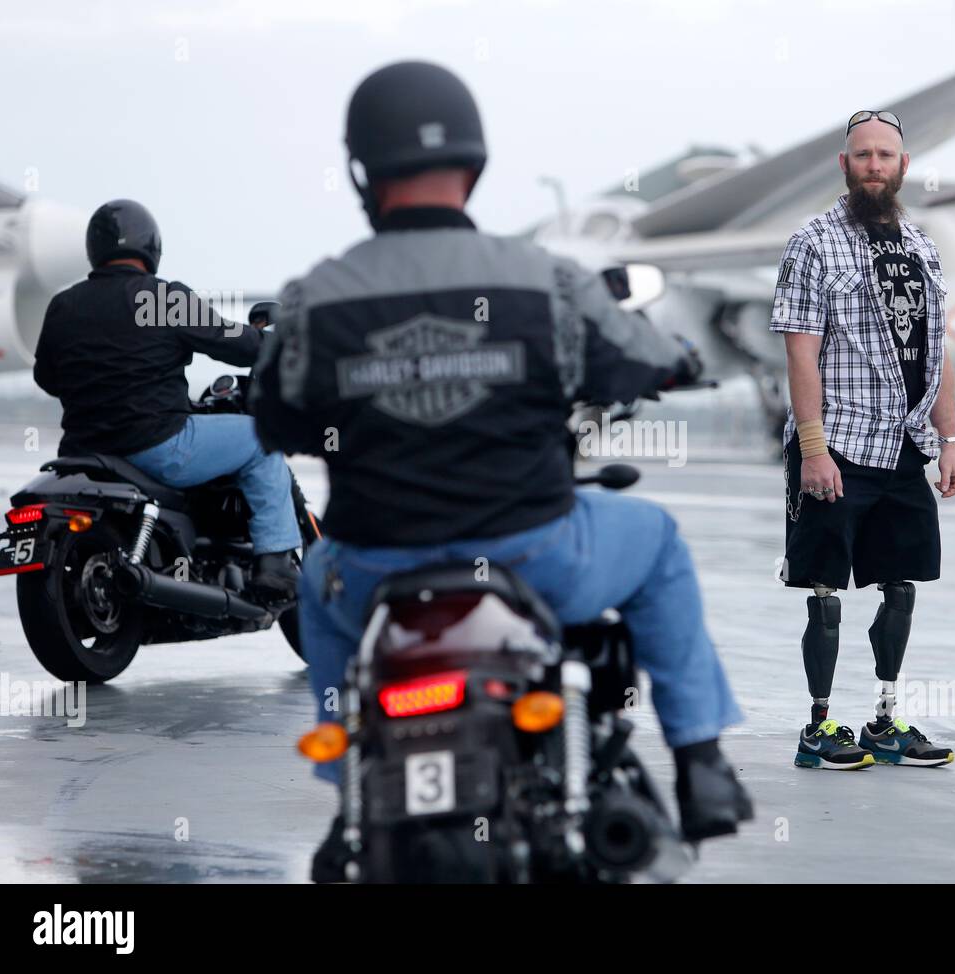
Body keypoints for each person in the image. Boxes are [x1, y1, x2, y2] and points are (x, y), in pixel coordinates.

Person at [250, 61, 752, 881]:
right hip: (539, 552)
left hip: (376, 562)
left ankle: (350, 796)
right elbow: (635, 359)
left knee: (317, 583)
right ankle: (701, 763)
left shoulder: (315, 300)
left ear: (361, 173)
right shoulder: (545, 280)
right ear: (474, 164)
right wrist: (680, 358)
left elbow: (276, 421)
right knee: (657, 541)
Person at [770, 110, 955, 770]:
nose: (875, 165)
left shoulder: (922, 245)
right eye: (863, 155)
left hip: (905, 446)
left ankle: (884, 721)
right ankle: (819, 727)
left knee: (900, 583)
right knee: (824, 591)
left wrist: (951, 440)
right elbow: (802, 352)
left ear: (903, 165)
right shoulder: (814, 243)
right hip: (840, 443)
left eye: (886, 154)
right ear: (845, 166)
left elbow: (937, 353)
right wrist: (814, 447)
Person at [33, 199, 300, 595]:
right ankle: (276, 564)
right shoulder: (161, 299)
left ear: (96, 248)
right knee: (261, 439)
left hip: (85, 451)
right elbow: (232, 342)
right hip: (157, 445)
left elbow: (48, 378)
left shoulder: (63, 305)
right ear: (150, 246)